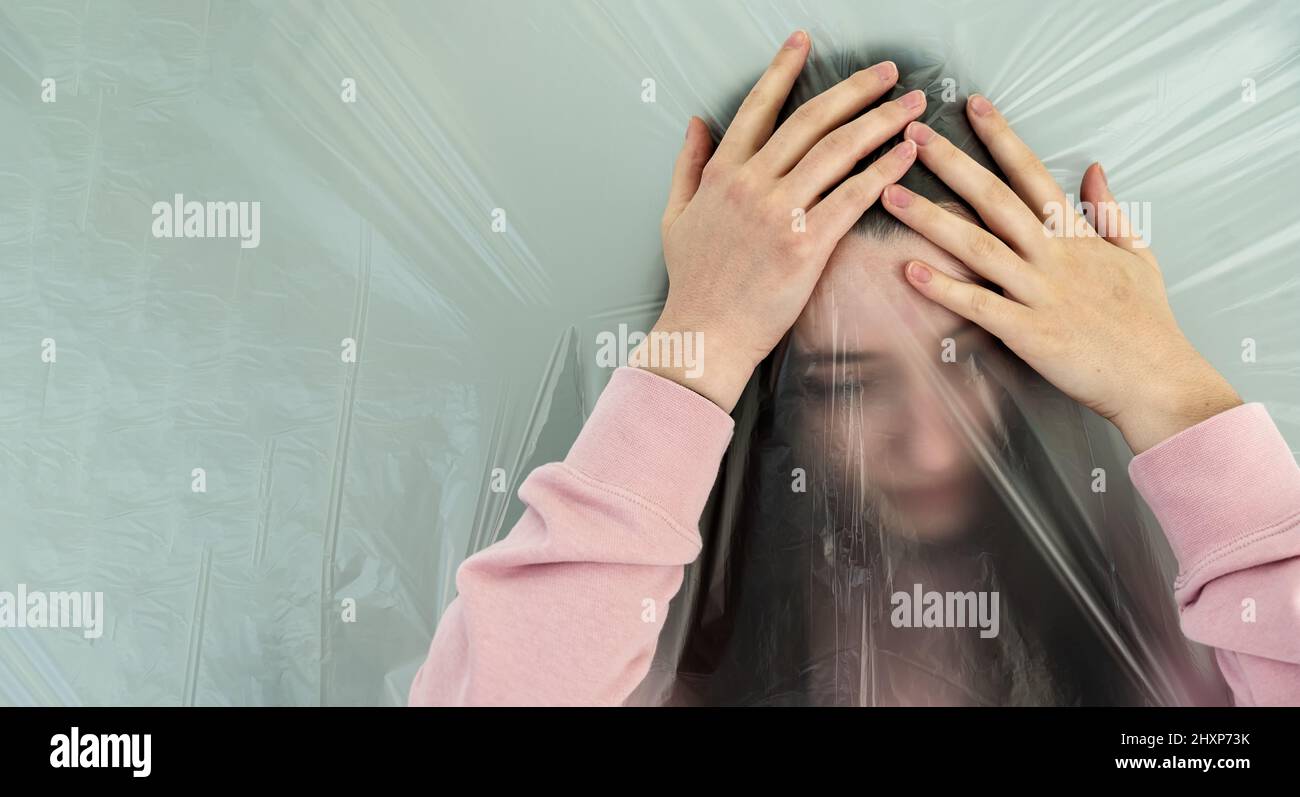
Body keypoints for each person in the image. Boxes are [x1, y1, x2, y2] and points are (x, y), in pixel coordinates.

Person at [409, 31, 1300, 706]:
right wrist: (698, 349)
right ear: (775, 405)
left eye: (970, 363)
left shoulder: (1182, 663)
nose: (932, 445)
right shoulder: (668, 666)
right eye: (847, 382)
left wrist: (1170, 390)